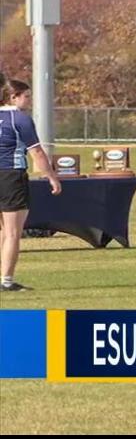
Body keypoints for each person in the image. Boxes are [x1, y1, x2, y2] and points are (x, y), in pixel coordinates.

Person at [0, 75, 61, 292]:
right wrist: (52, 177)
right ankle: (7, 281)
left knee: (3, 231)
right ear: (13, 97)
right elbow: (36, 151)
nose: (29, 101)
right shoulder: (20, 119)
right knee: (13, 232)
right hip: (11, 175)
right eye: (26, 97)